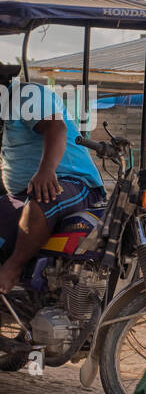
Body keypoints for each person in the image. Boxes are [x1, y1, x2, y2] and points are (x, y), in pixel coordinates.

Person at [0, 63, 106, 295]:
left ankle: (13, 268)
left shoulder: (26, 96)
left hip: (74, 182)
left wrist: (46, 171)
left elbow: (56, 128)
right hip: (24, 193)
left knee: (41, 201)